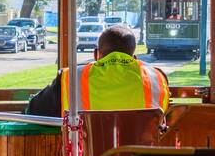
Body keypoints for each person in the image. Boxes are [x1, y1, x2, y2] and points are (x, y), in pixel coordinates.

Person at [27, 24, 168, 117]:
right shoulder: (156, 77)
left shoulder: (71, 78)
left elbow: (34, 109)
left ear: (96, 55)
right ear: (134, 58)